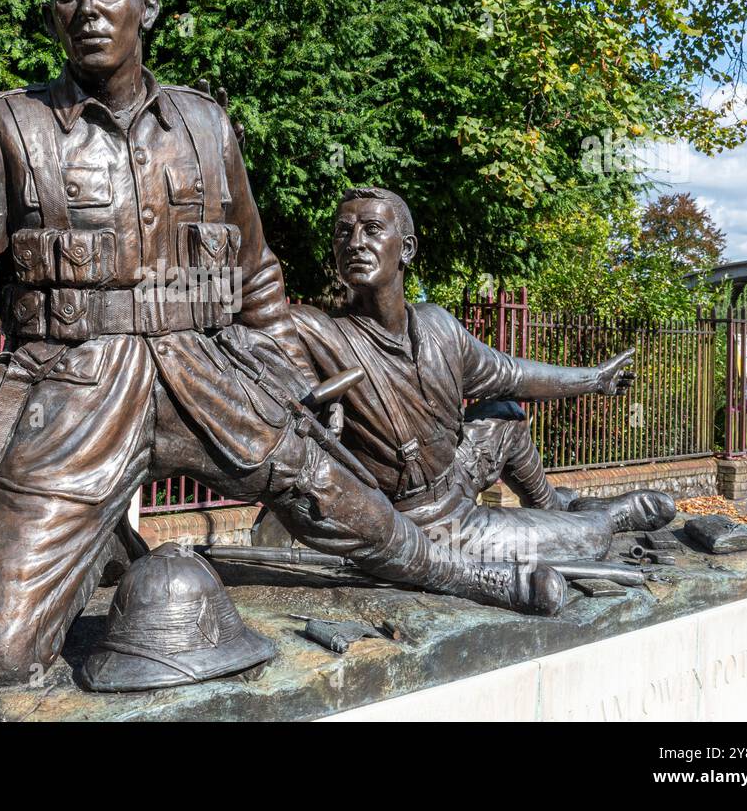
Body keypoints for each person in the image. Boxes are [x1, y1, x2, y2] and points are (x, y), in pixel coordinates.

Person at [0, 0, 566, 687]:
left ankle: (463, 574)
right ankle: (96, 550)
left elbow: (257, 278)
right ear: (50, 16)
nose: (88, 10)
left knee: (347, 502)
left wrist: (285, 376)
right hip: (75, 398)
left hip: (206, 379)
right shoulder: (9, 128)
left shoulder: (206, 125)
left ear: (148, 5)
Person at [288, 187, 676, 563]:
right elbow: (261, 331)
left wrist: (594, 379)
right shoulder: (314, 332)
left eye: (371, 229)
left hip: (454, 476)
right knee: (589, 538)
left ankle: (553, 505)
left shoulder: (438, 325)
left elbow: (513, 375)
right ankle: (603, 518)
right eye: (343, 232)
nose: (354, 242)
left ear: (406, 249)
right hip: (424, 523)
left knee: (506, 412)